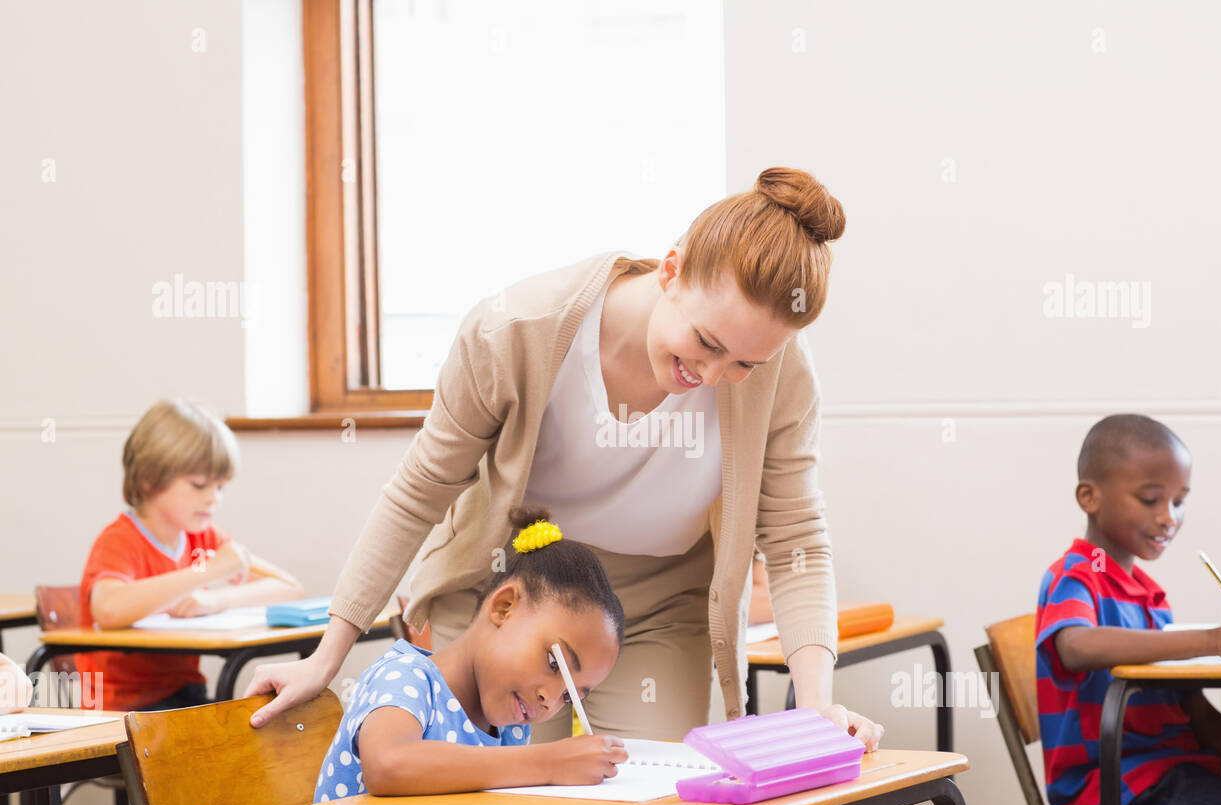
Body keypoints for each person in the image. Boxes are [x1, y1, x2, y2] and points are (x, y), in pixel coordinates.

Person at [247, 167, 884, 758]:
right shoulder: (517, 330)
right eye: (707, 343)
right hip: (513, 586)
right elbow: (419, 491)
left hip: (660, 607)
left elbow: (798, 537)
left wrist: (817, 705)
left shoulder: (783, 379)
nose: (713, 375)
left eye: (746, 363)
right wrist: (325, 659)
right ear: (671, 270)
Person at [1035, 413, 1221, 805]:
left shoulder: (1149, 597)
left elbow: (1200, 715)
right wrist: (1213, 640)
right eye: (1150, 499)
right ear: (1089, 496)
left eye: (1179, 501)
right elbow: (1076, 646)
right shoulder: (1074, 576)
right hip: (1121, 794)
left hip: (1176, 776)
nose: (1168, 518)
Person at [311, 506, 626, 805]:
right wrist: (549, 762)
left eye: (569, 696)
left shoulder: (508, 729)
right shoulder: (406, 678)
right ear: (504, 608)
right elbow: (387, 765)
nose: (549, 701)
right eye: (555, 664)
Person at [78, 398, 304, 711]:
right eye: (199, 485)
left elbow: (289, 587)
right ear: (148, 479)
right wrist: (208, 572)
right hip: (123, 708)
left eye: (220, 487)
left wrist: (214, 600)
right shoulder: (119, 540)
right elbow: (108, 609)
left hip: (185, 697)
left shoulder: (204, 536)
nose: (213, 499)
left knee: (270, 720)